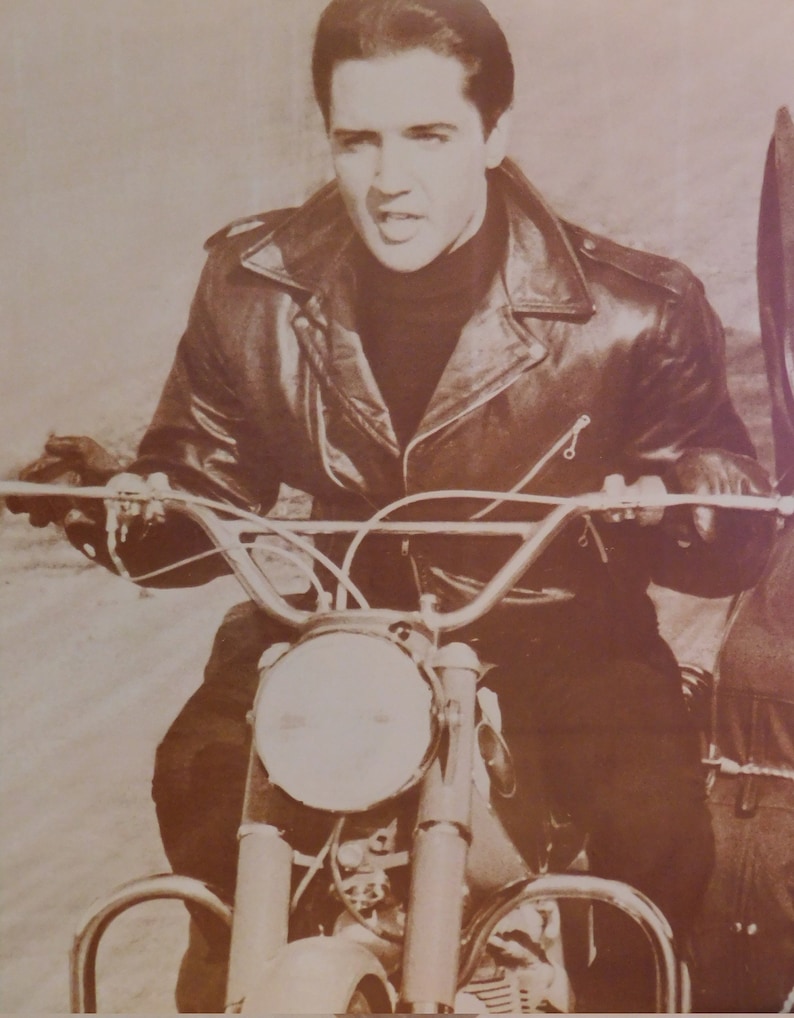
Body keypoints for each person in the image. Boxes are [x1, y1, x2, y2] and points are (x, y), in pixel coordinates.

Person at [8, 0, 775, 1011]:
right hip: (330, 630)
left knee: (650, 832)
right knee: (199, 773)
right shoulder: (253, 286)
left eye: (427, 136)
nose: (388, 179)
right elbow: (200, 496)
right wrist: (134, 505)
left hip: (560, 636)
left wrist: (673, 504)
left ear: (492, 134)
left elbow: (729, 536)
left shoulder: (635, 308)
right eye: (355, 139)